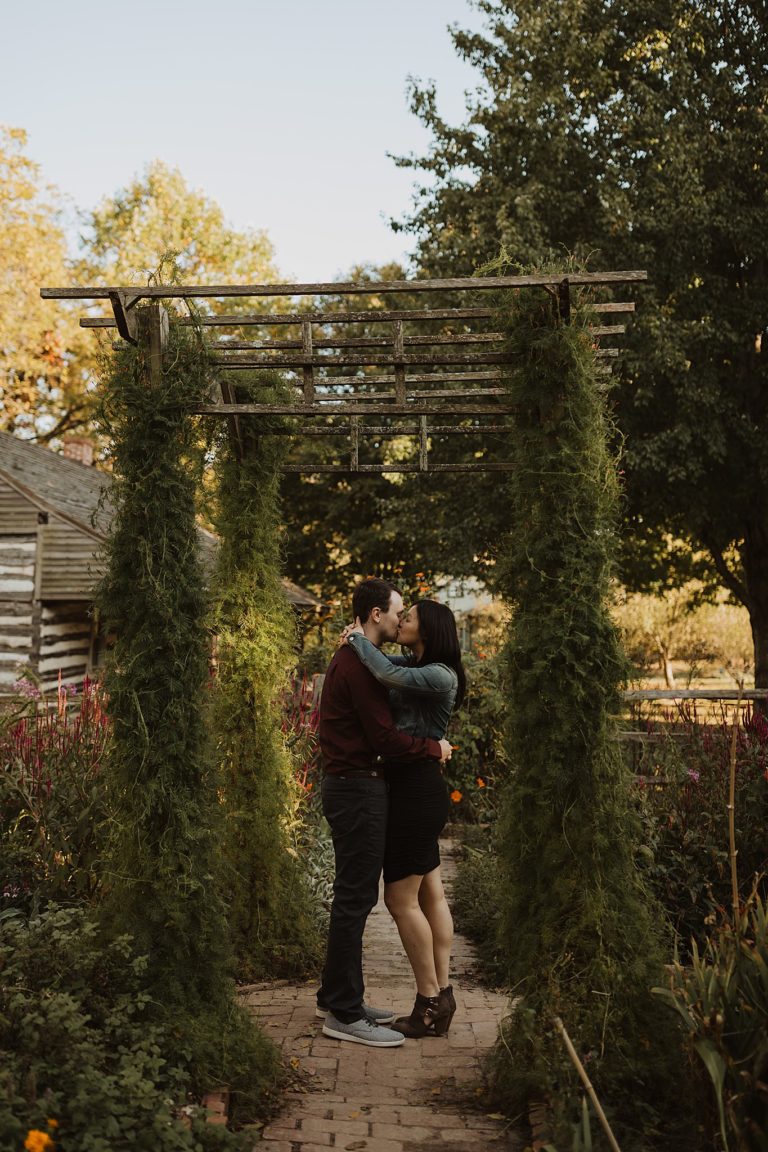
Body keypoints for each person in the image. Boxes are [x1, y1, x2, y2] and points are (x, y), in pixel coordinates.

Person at [316, 578, 452, 1048]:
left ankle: (340, 998)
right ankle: (344, 1011)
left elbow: (394, 681)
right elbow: (384, 738)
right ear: (376, 614)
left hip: (362, 787)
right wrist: (434, 746)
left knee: (355, 897)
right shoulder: (357, 664)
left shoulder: (363, 661)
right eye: (398, 612)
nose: (400, 620)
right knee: (355, 899)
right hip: (357, 789)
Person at [344, 598, 465, 1038]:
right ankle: (444, 991)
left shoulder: (437, 673)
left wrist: (357, 638)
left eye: (409, 617)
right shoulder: (416, 663)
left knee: (400, 901)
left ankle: (428, 1001)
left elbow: (386, 673)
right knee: (431, 891)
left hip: (415, 792)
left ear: (428, 630)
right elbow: (385, 662)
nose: (401, 621)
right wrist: (362, 643)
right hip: (418, 786)